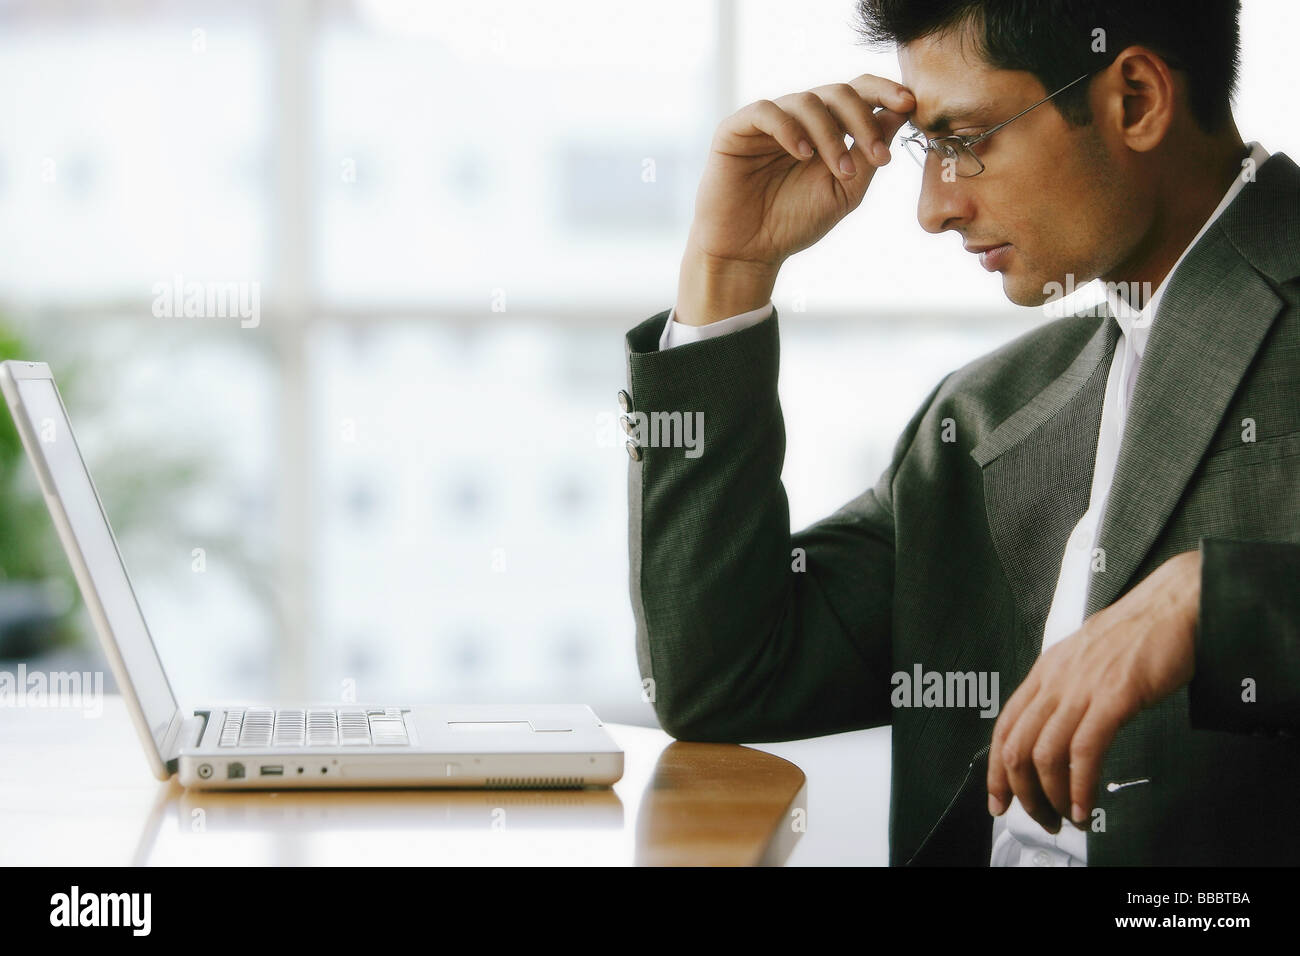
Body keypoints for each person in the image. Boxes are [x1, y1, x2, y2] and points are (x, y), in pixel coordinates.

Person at [620, 0, 1300, 865]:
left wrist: (1224, 605)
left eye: (965, 138)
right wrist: (727, 272)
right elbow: (723, 676)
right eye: (926, 147)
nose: (932, 209)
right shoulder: (985, 410)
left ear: (1134, 99)